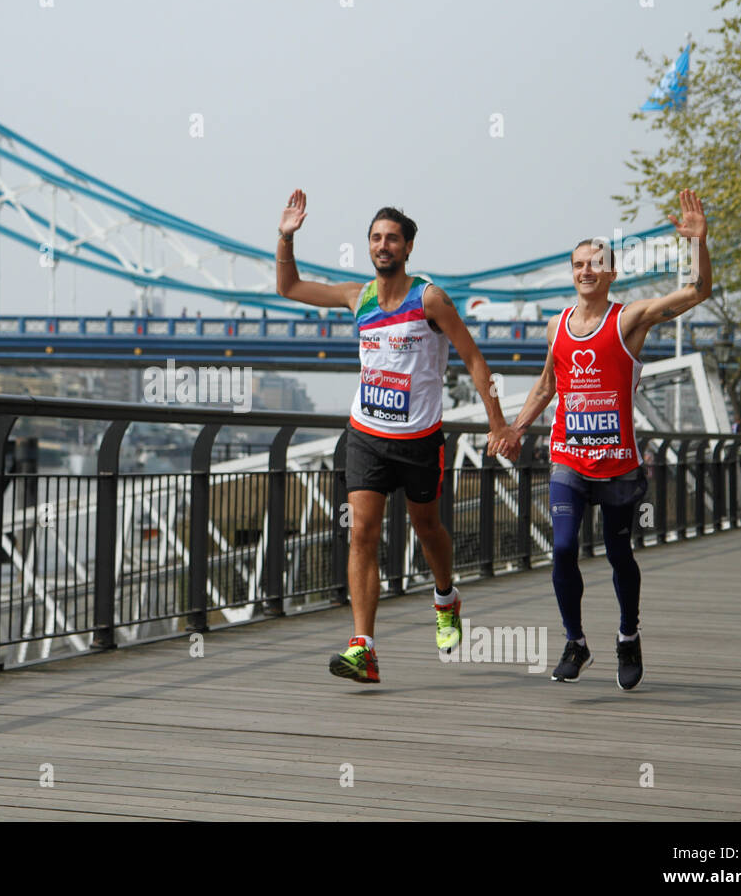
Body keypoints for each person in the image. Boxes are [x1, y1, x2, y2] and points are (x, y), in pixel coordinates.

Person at [275, 189, 519, 683]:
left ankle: (446, 597)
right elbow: (291, 288)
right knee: (362, 533)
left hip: (420, 439)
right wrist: (285, 237)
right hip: (366, 434)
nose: (383, 245)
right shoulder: (357, 296)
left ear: (408, 248)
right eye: (375, 238)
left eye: (392, 239)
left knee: (427, 528)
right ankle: (363, 648)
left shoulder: (430, 298)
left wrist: (498, 423)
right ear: (369, 246)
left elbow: (474, 359)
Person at [498, 189, 712, 690]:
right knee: (565, 547)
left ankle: (628, 635)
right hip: (568, 458)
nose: (585, 271)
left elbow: (697, 291)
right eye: (578, 264)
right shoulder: (556, 326)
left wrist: (698, 244)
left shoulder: (629, 319)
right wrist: (515, 428)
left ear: (612, 274)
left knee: (619, 554)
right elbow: (549, 385)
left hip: (617, 464)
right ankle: (575, 641)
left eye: (596, 263)